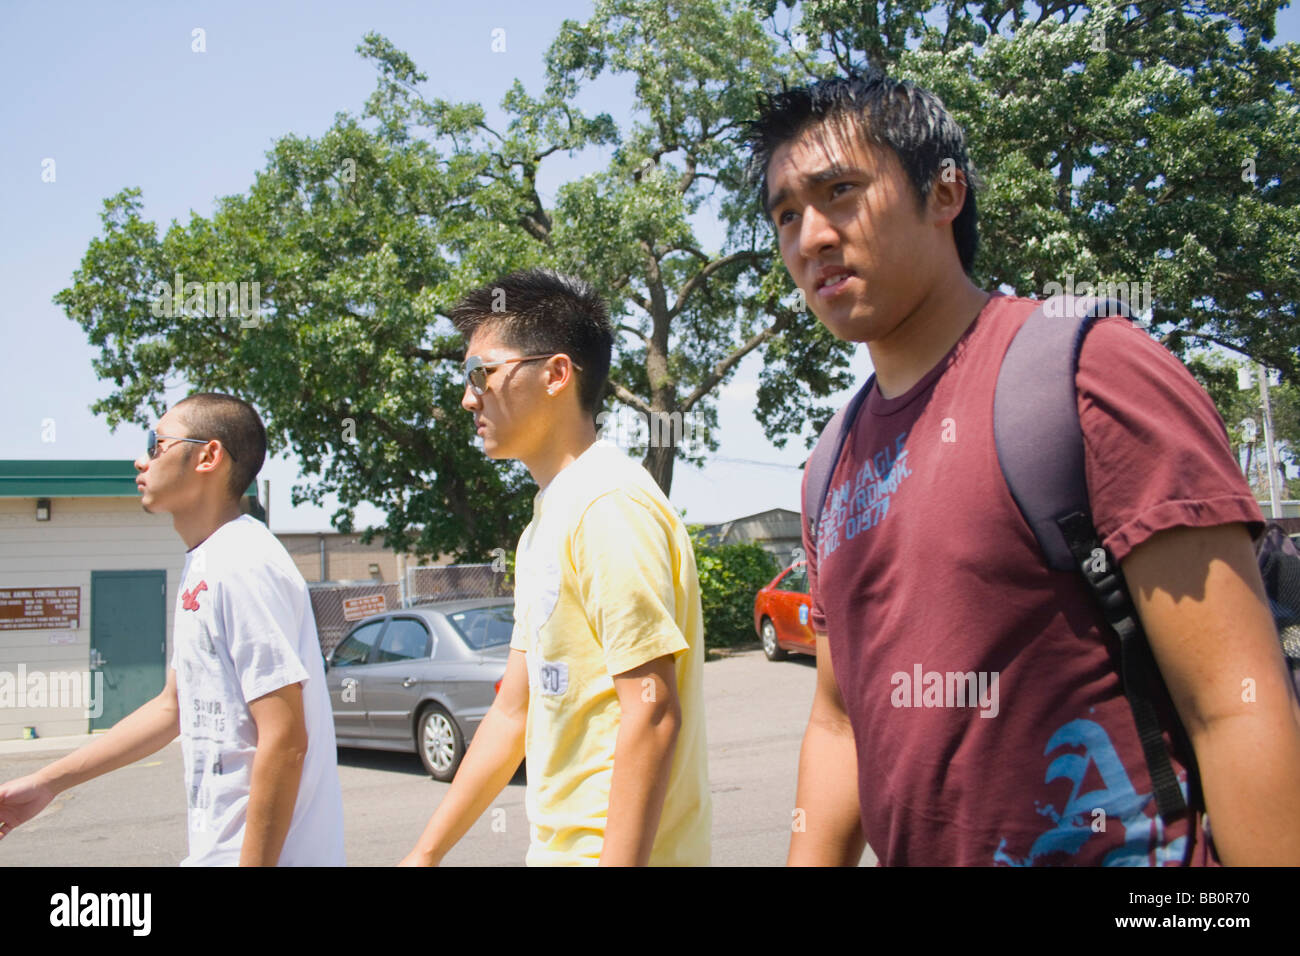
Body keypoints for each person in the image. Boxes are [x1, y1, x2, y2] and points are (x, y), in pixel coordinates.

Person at [747, 72, 1300, 865]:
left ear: (945, 193)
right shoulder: (829, 464)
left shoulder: (1089, 374)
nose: (812, 238)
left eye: (841, 192)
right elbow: (839, 724)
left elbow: (1236, 707)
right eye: (787, 215)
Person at [399, 269, 710, 866]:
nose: (468, 398)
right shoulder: (547, 521)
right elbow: (511, 713)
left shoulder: (608, 504)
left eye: (481, 374)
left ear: (556, 374)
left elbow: (651, 710)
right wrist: (423, 855)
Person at [0, 393, 345, 866]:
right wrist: (46, 783)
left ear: (208, 456)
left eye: (157, 444)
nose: (141, 460)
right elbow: (172, 708)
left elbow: (285, 739)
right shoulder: (208, 559)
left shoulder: (242, 562)